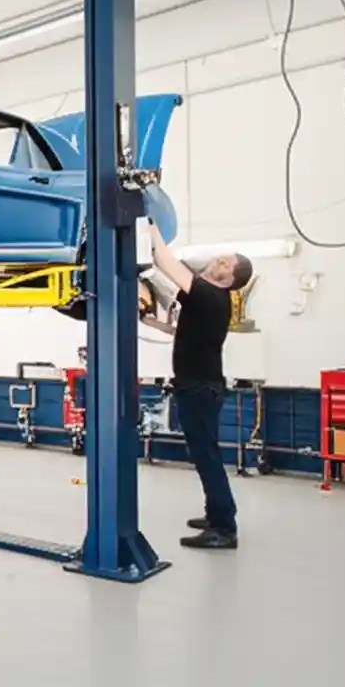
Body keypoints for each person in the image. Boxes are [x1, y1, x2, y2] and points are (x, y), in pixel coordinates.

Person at [145, 221, 253, 549]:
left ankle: (224, 528)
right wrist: (145, 317)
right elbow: (179, 331)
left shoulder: (209, 295)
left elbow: (165, 262)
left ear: (229, 278)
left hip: (199, 389)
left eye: (225, 263)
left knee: (206, 456)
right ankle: (216, 513)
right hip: (200, 387)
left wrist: (147, 222)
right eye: (220, 257)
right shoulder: (206, 299)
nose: (218, 261)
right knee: (205, 453)